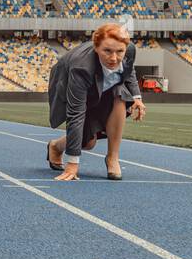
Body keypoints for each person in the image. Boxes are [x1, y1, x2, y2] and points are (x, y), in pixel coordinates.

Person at [46, 22, 147, 181]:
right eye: (107, 51)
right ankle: (56, 146)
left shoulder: (129, 50)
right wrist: (72, 164)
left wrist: (137, 97)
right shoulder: (81, 68)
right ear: (96, 48)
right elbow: (76, 114)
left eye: (119, 52)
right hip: (69, 85)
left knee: (120, 94)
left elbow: (128, 69)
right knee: (88, 143)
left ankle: (112, 157)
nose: (114, 58)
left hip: (106, 88)